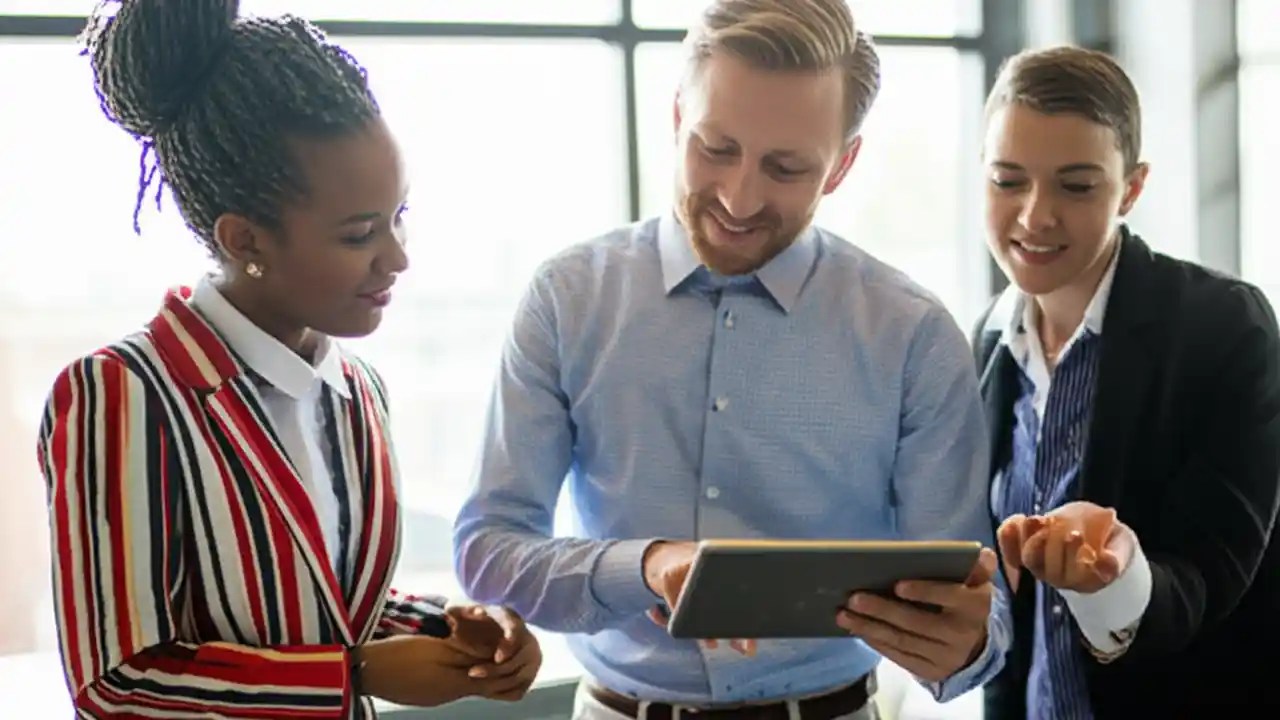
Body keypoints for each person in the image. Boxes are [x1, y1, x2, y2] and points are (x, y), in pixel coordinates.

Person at [453, 1, 1010, 718]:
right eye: (716, 148)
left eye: (785, 167)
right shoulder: (568, 298)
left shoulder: (914, 334)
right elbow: (490, 550)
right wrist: (649, 566)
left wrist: (963, 644)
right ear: (677, 115)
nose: (738, 197)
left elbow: (974, 617)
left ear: (841, 165)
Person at [37, 1, 540, 717]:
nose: (397, 257)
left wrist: (455, 631)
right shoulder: (120, 392)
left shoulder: (358, 392)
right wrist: (354, 674)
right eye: (359, 233)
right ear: (245, 241)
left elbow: (321, 603)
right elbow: (118, 681)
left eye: (398, 215)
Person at [972, 45, 1280, 718]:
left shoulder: (1225, 328)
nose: (1034, 216)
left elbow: (1209, 578)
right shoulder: (989, 343)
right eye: (1008, 180)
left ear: (1131, 189)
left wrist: (1113, 575)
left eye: (1076, 186)